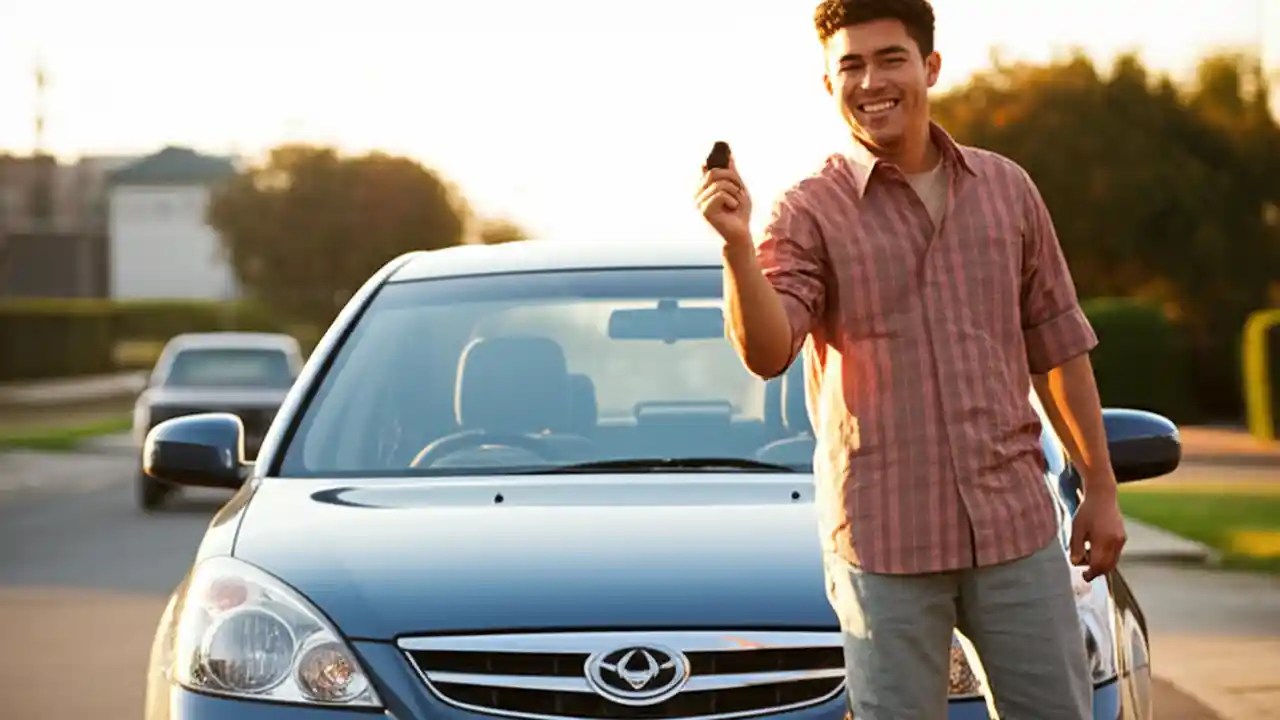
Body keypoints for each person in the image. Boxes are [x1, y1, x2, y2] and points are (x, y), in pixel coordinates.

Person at [694, 1, 1126, 717]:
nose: (871, 81)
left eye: (890, 59)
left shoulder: (1008, 190)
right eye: (851, 66)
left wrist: (1100, 486)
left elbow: (1059, 344)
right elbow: (767, 352)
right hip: (883, 544)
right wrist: (737, 247)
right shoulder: (805, 213)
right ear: (827, 83)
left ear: (929, 66)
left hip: (1015, 527)